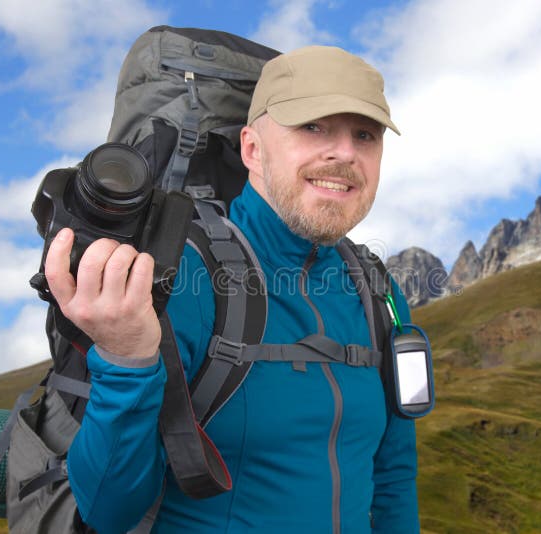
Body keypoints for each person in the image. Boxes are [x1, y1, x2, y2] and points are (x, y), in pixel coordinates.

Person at [44, 45, 419, 533]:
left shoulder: (379, 296)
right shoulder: (180, 277)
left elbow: (393, 477)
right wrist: (126, 358)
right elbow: (109, 512)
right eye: (313, 127)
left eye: (364, 135)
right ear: (252, 149)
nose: (345, 153)